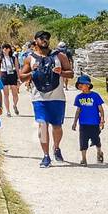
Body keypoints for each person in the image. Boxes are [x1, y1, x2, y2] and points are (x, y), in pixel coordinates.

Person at [18, 30, 73, 168]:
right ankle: (46, 156)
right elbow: (21, 77)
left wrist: (61, 72)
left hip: (57, 97)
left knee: (57, 126)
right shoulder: (30, 58)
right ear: (35, 40)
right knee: (42, 126)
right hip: (39, 98)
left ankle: (56, 147)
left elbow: (71, 73)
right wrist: (32, 72)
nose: (45, 40)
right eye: (41, 38)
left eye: (47, 38)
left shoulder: (59, 56)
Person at [71, 74, 106, 165]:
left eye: (82, 84)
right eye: (79, 84)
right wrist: (75, 122)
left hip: (94, 123)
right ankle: (84, 158)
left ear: (88, 85)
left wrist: (102, 120)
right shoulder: (79, 97)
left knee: (96, 140)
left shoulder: (95, 96)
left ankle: (99, 152)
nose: (80, 86)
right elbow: (78, 111)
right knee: (83, 140)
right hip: (83, 123)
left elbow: (100, 109)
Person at [0, 43, 21, 115]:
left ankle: (14, 105)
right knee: (6, 94)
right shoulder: (0, 58)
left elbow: (17, 69)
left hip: (12, 75)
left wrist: (18, 78)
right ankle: (8, 111)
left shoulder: (14, 58)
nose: (4, 49)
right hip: (4, 74)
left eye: (6, 48)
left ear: (9, 49)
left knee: (15, 94)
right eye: (3, 48)